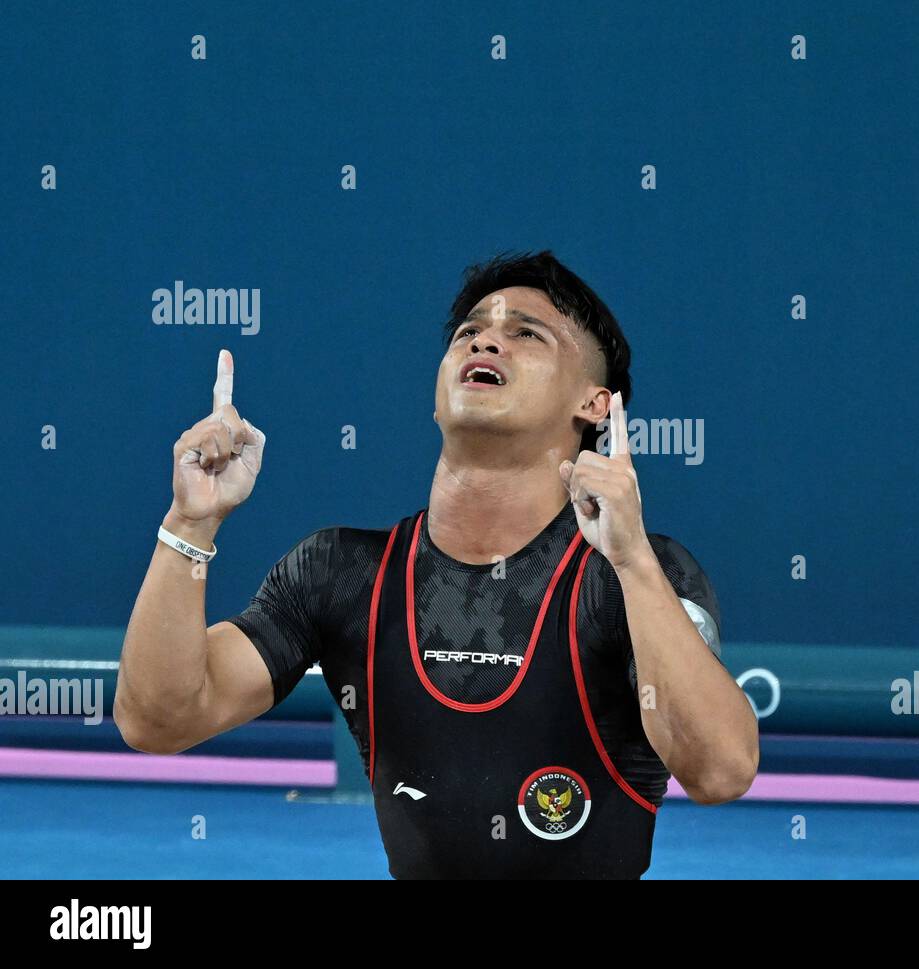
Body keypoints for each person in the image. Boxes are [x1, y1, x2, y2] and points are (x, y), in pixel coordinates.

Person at [115, 250, 759, 878]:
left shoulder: (636, 575)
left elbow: (721, 771)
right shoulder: (339, 572)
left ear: (596, 405)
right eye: (469, 333)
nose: (484, 344)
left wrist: (633, 560)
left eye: (525, 334)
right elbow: (158, 720)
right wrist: (190, 524)